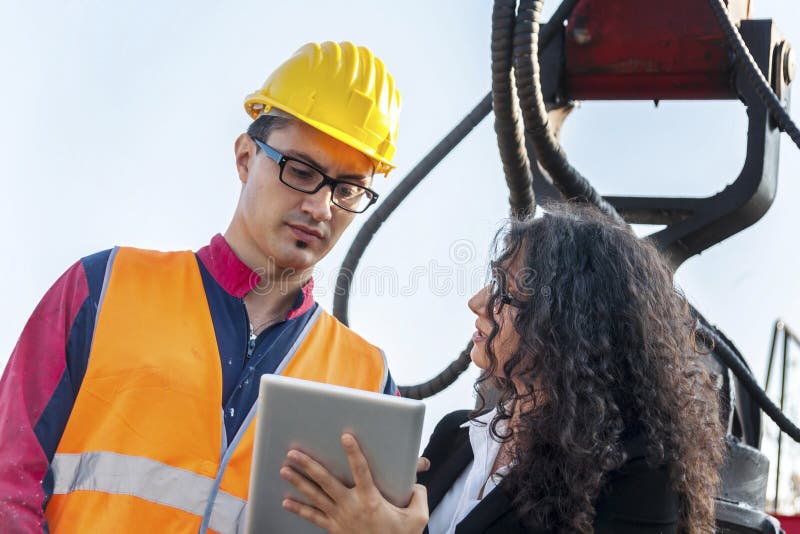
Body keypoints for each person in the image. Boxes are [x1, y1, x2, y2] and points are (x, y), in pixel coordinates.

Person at [0, 41, 402, 533]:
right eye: (300, 171)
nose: (321, 208)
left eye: (346, 190)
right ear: (244, 157)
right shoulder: (101, 289)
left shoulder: (371, 383)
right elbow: (8, 478)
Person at [280, 203, 726, 533]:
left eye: (505, 290)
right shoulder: (456, 436)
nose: (477, 302)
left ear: (570, 323)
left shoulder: (641, 473)